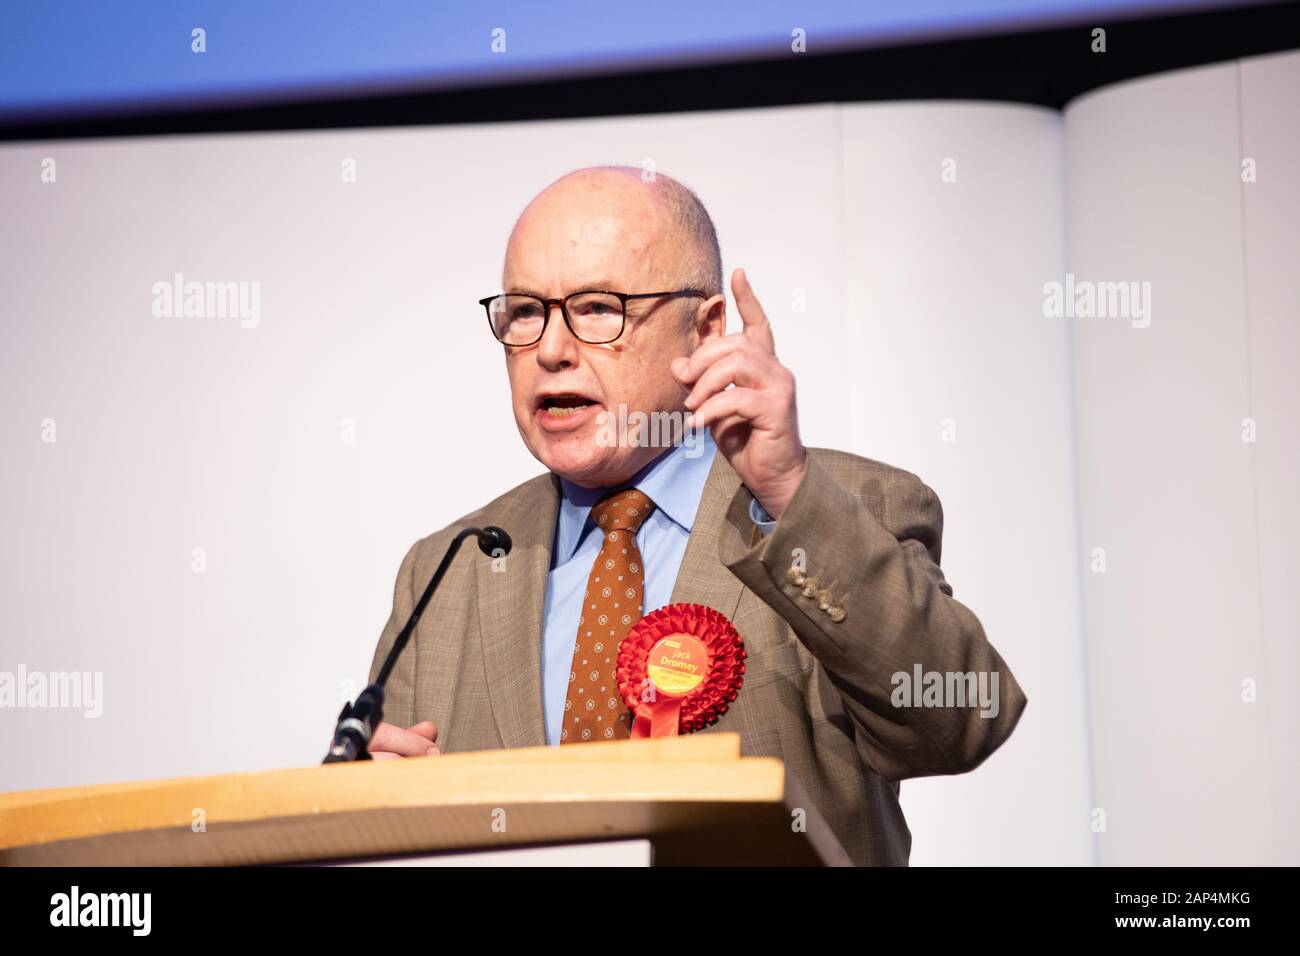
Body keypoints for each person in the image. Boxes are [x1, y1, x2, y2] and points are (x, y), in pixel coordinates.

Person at [365, 166, 1026, 865]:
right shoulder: (448, 570)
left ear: (705, 329)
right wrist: (376, 809)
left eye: (596, 308)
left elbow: (959, 723)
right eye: (526, 312)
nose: (551, 350)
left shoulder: (839, 507)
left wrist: (787, 489)